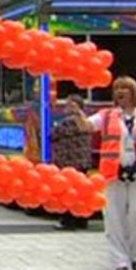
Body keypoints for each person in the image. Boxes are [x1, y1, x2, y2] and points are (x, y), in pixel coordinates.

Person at [85, 76, 136, 270]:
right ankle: (120, 260)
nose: (120, 92)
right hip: (113, 173)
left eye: (125, 88)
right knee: (114, 217)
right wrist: (77, 113)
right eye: (117, 89)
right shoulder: (106, 115)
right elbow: (87, 126)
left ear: (134, 92)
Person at [51, 94, 93, 231]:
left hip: (69, 162)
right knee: (82, 191)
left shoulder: (68, 122)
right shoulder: (86, 121)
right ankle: (82, 219)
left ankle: (68, 221)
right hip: (83, 161)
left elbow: (53, 134)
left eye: (70, 105)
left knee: (68, 192)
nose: (66, 107)